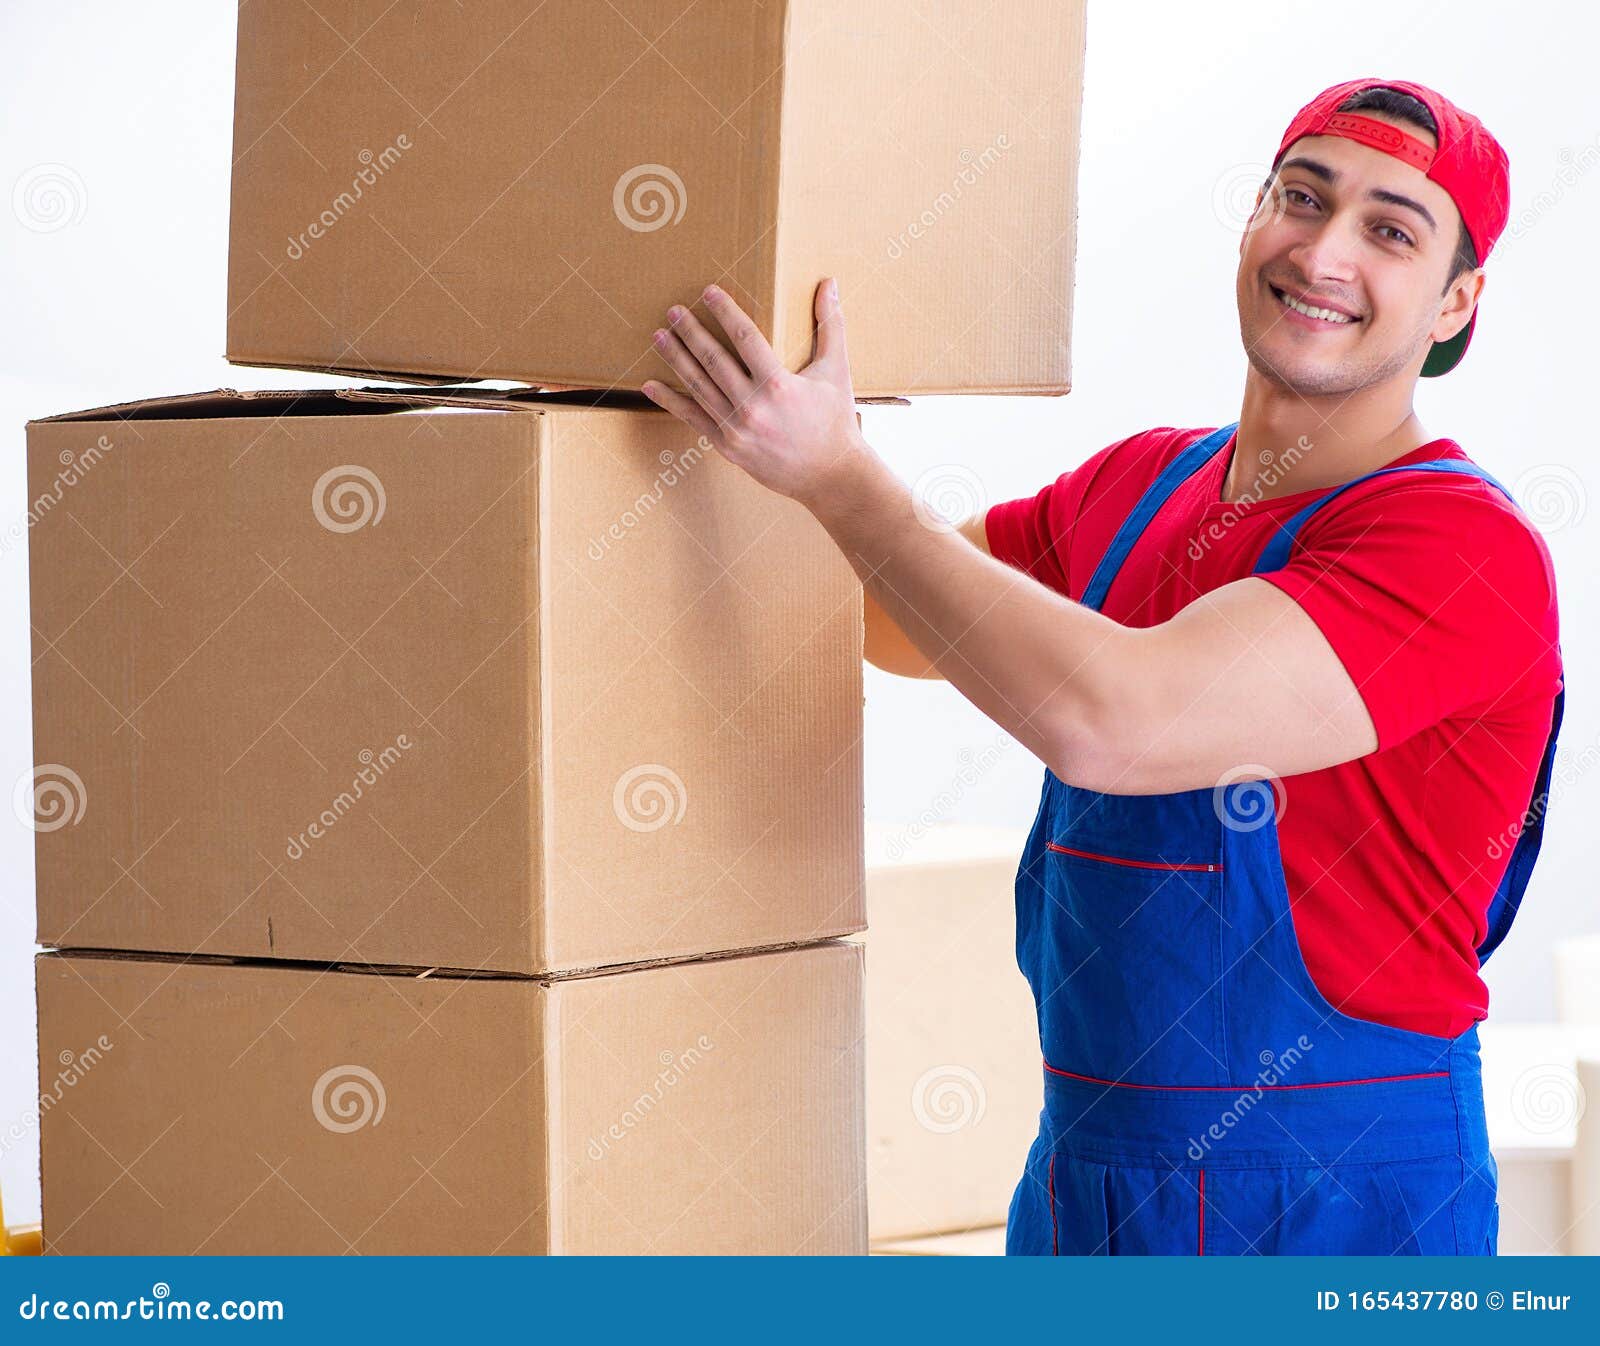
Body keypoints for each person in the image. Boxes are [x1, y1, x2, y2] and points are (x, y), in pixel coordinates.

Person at [640, 77, 1563, 1256]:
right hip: (1085, 1187)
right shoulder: (1138, 488)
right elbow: (881, 617)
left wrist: (842, 477)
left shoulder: (1460, 544)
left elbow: (1116, 720)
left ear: (1455, 301)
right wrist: (739, 447)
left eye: (1390, 231)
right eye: (1300, 196)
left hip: (1335, 1204)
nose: (1324, 250)